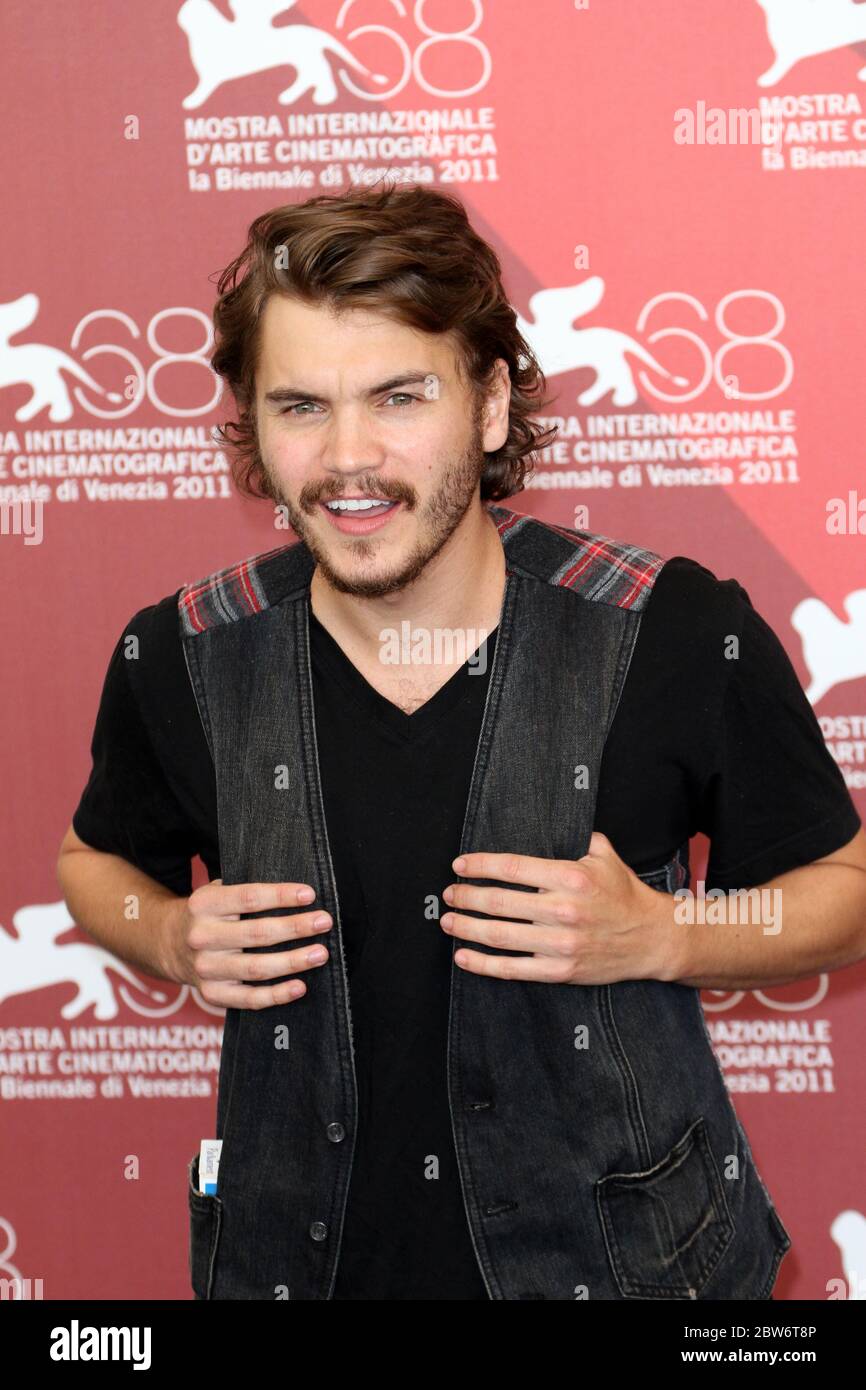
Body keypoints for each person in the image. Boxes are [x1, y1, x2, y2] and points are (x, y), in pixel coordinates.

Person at [58, 182, 866, 1301]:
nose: (348, 459)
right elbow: (93, 864)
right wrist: (167, 937)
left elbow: (844, 886)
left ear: (488, 404)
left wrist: (666, 934)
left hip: (635, 1279)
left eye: (397, 397)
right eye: (298, 406)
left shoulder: (676, 631)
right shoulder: (183, 654)